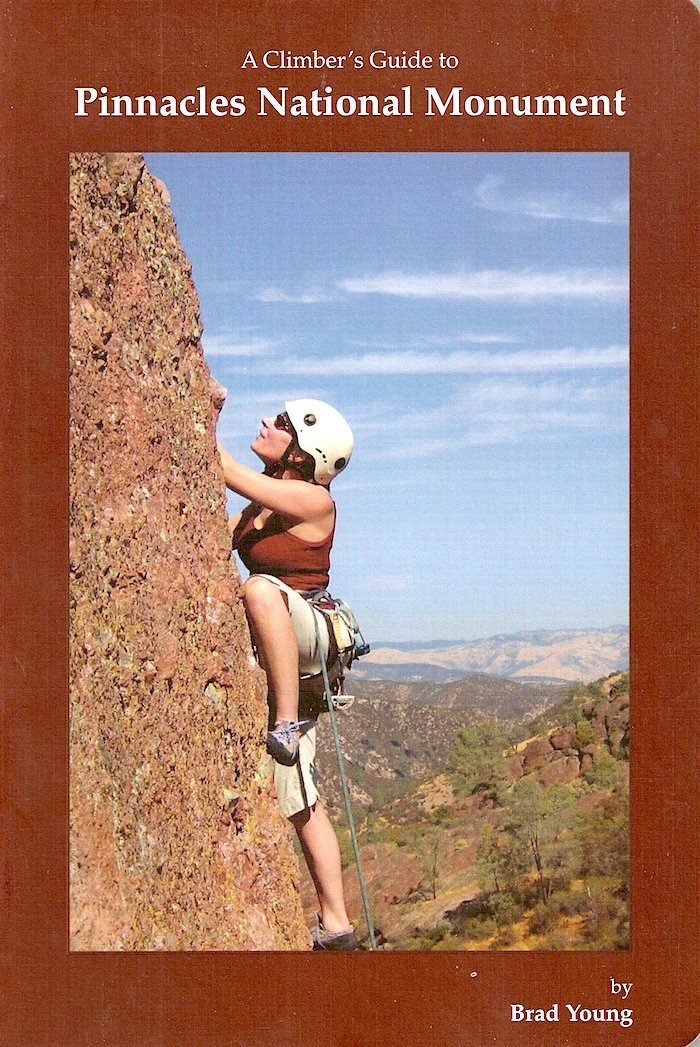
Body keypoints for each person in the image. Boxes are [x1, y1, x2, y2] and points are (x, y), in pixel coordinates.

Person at [218, 398, 358, 951]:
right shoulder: (261, 507)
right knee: (299, 797)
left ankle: (286, 722)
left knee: (257, 589)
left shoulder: (313, 499)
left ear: (302, 453)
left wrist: (197, 415)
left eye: (280, 423)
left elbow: (224, 469)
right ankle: (337, 924)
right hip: (288, 645)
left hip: (307, 634)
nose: (265, 424)